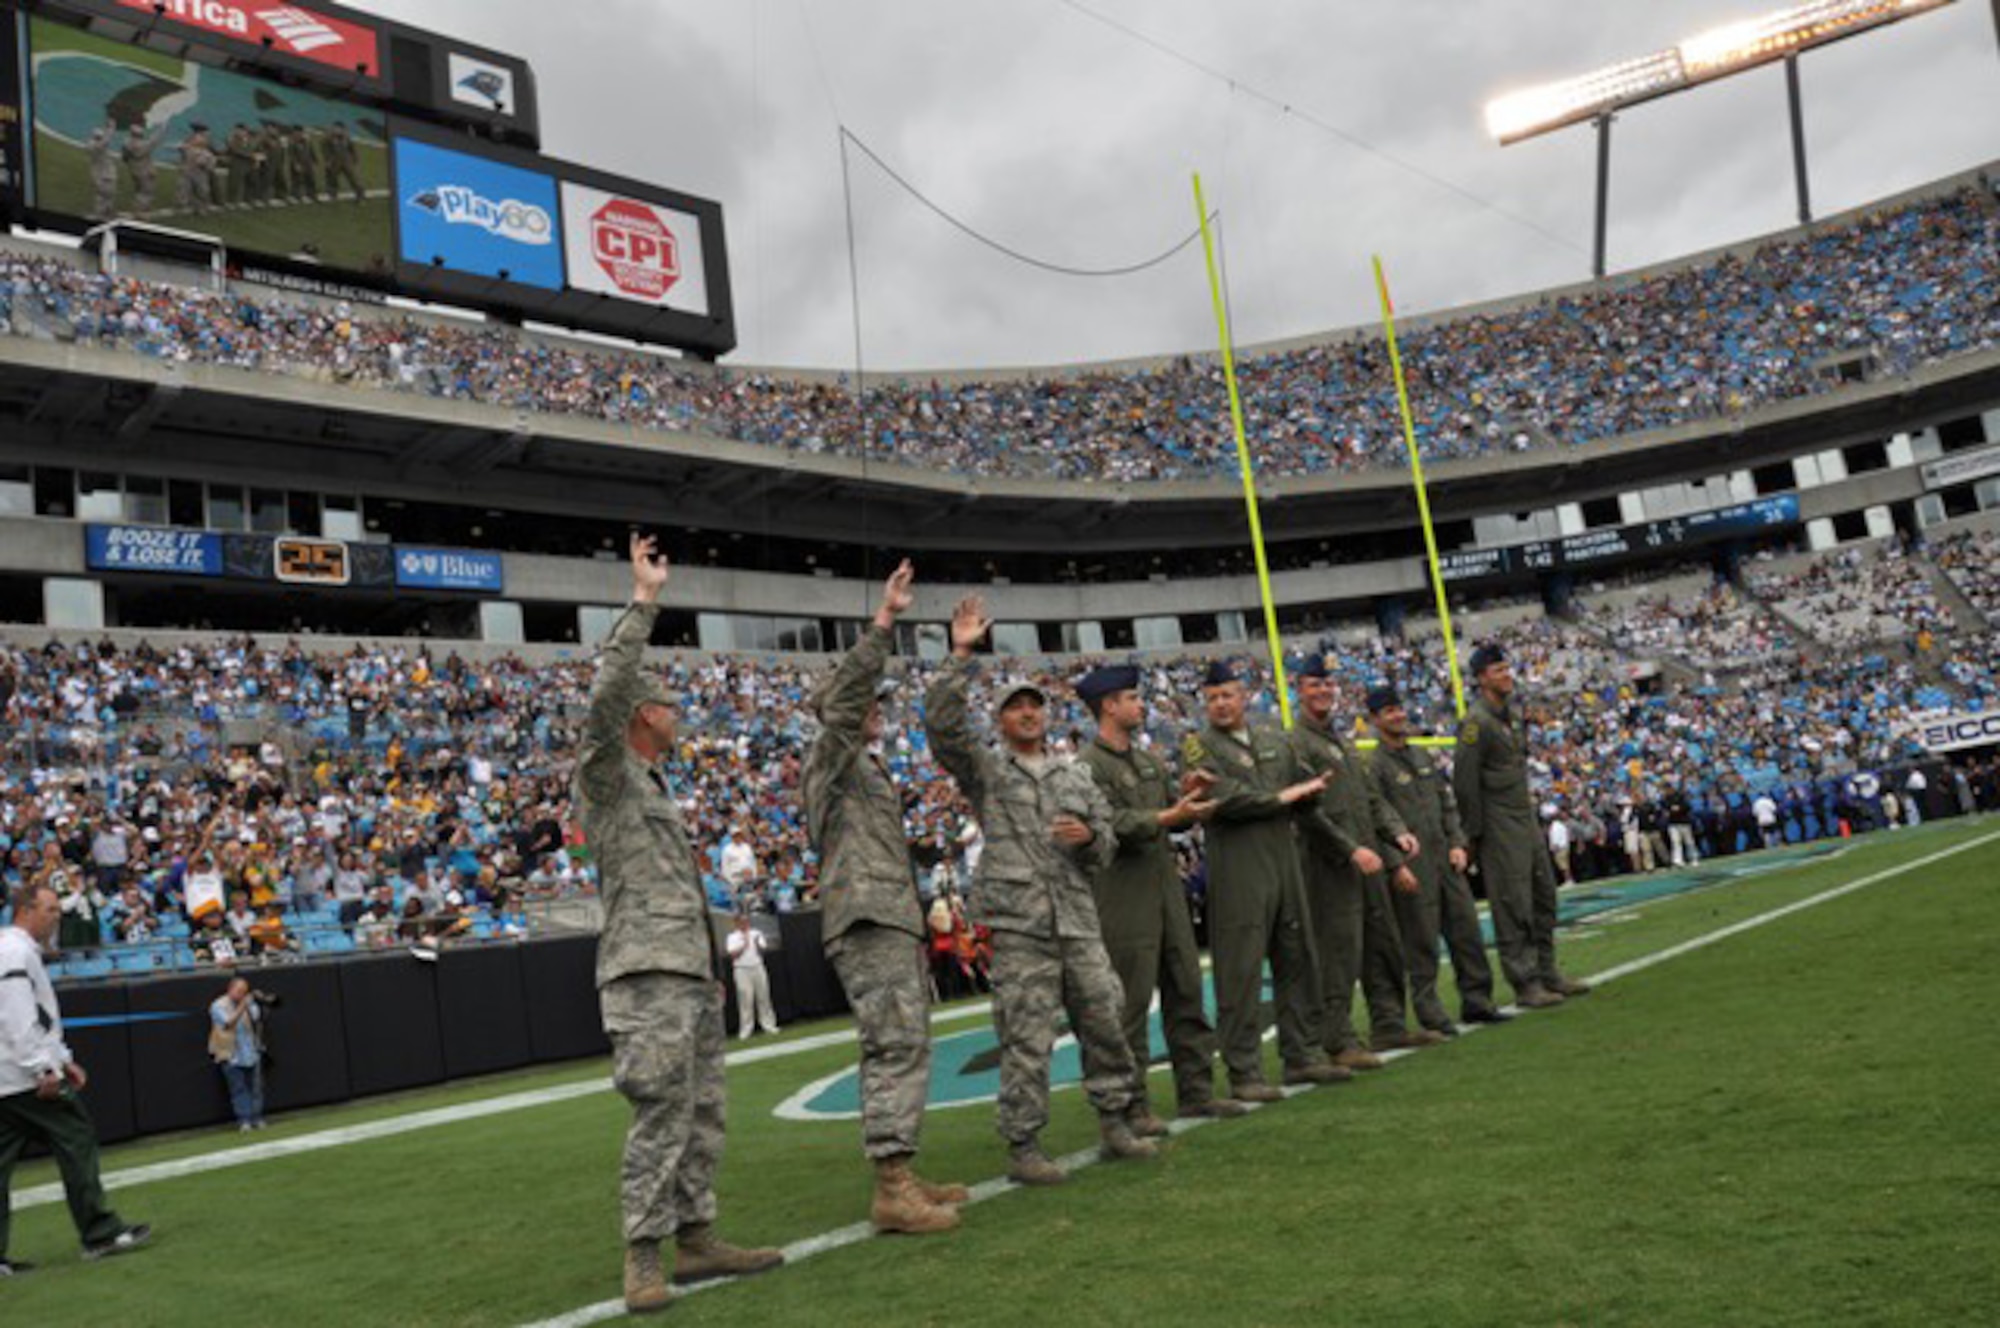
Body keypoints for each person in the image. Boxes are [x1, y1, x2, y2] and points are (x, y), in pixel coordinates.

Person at [571, 533, 779, 1315]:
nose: (681, 717)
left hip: (685, 972)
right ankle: (642, 1256)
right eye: (673, 707)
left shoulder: (652, 785)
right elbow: (602, 697)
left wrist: (709, 968)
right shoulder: (608, 773)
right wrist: (643, 601)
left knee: (703, 1111)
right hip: (642, 971)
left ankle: (696, 1238)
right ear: (645, 714)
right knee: (662, 1110)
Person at [924, 595, 1158, 1186]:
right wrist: (960, 654)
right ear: (1000, 721)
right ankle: (1024, 1144)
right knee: (1025, 1035)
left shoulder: (1073, 772)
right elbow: (943, 728)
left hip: (1077, 918)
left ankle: (1115, 1118)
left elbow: (1107, 841)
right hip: (1022, 925)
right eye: (1016, 709)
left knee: (1103, 1017)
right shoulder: (988, 770)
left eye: (1035, 707)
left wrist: (1087, 839)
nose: (1028, 715)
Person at [801, 560, 965, 1235]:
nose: (875, 710)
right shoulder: (830, 752)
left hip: (885, 914)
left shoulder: (861, 764)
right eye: (865, 701)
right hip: (866, 917)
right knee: (894, 1042)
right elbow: (846, 701)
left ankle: (902, 1169)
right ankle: (892, 1184)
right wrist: (885, 620)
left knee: (905, 1039)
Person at [1074, 664, 1246, 1131]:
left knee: (1186, 989)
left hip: (1164, 887)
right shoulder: (1088, 766)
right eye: (1131, 697)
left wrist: (1190, 797)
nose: (1140, 704)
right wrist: (1170, 814)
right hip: (1123, 893)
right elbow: (1108, 825)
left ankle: (1196, 1092)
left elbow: (1178, 814)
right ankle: (1132, 1106)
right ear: (1109, 705)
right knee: (1129, 1004)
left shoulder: (1147, 760)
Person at [1183, 661, 1343, 1099]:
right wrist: (1282, 797)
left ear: (1244, 696)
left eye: (1227, 695)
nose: (1220, 704)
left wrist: (1315, 791)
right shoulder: (1199, 748)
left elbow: (1302, 787)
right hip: (1238, 864)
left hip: (1283, 856)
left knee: (1297, 958)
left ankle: (1303, 1055)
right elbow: (1223, 799)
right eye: (1212, 697)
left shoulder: (1273, 737)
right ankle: (1245, 1071)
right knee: (1241, 969)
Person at [1289, 657, 1436, 1070]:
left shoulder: (1343, 741)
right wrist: (1349, 848)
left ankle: (1389, 1022)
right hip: (1331, 864)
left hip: (1368, 856)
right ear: (1299, 689)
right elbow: (1307, 811)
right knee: (1339, 952)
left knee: (1383, 943)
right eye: (1314, 684)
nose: (1322, 690)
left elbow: (1371, 797)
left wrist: (1395, 830)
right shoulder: (1297, 743)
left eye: (1327, 683)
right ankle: (1338, 1039)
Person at [1, 882, 152, 1274]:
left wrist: (63, 1059)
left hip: (5, 1079)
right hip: (23, 1079)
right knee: (77, 1140)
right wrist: (45, 1068)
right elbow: (19, 1018)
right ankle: (99, 1232)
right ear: (26, 910)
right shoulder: (16, 952)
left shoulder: (9, 950)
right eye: (50, 909)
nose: (57, 918)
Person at [1363, 686, 1507, 1035]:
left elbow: (1446, 804)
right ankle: (1431, 1013)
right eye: (1389, 712)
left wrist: (1458, 843)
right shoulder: (1374, 765)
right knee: (1421, 942)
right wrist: (1396, 864)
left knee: (1467, 933)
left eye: (1399, 708)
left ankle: (1477, 1001)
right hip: (1414, 865)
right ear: (1375, 719)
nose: (1397, 716)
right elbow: (1374, 819)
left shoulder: (1421, 756)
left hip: (1445, 857)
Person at [1452, 645, 1590, 1010]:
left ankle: (1546, 971)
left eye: (1506, 667)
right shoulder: (1475, 723)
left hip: (1523, 817)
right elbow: (1465, 785)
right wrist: (1474, 837)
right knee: (1513, 904)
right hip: (1498, 825)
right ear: (1482, 678)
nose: (1506, 674)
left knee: (1544, 895)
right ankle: (1525, 981)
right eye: (1498, 669)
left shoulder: (1507, 714)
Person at [208, 976, 266, 1132]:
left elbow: (256, 1018)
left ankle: (257, 1118)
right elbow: (228, 1023)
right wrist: (242, 1005)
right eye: (239, 991)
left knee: (256, 1088)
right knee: (239, 1089)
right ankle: (244, 1121)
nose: (242, 994)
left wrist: (253, 1003)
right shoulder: (217, 1005)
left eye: (245, 992)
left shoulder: (249, 1004)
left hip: (251, 1051)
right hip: (230, 1053)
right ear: (230, 989)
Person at [725, 916, 778, 1040]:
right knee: (745, 999)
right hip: (741, 969)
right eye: (741, 922)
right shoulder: (732, 937)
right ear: (736, 923)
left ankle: (769, 1025)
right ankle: (746, 1030)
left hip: (757, 966)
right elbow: (732, 954)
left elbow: (763, 949)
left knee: (763, 997)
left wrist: (756, 944)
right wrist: (744, 944)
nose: (744, 924)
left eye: (746, 922)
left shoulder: (756, 933)